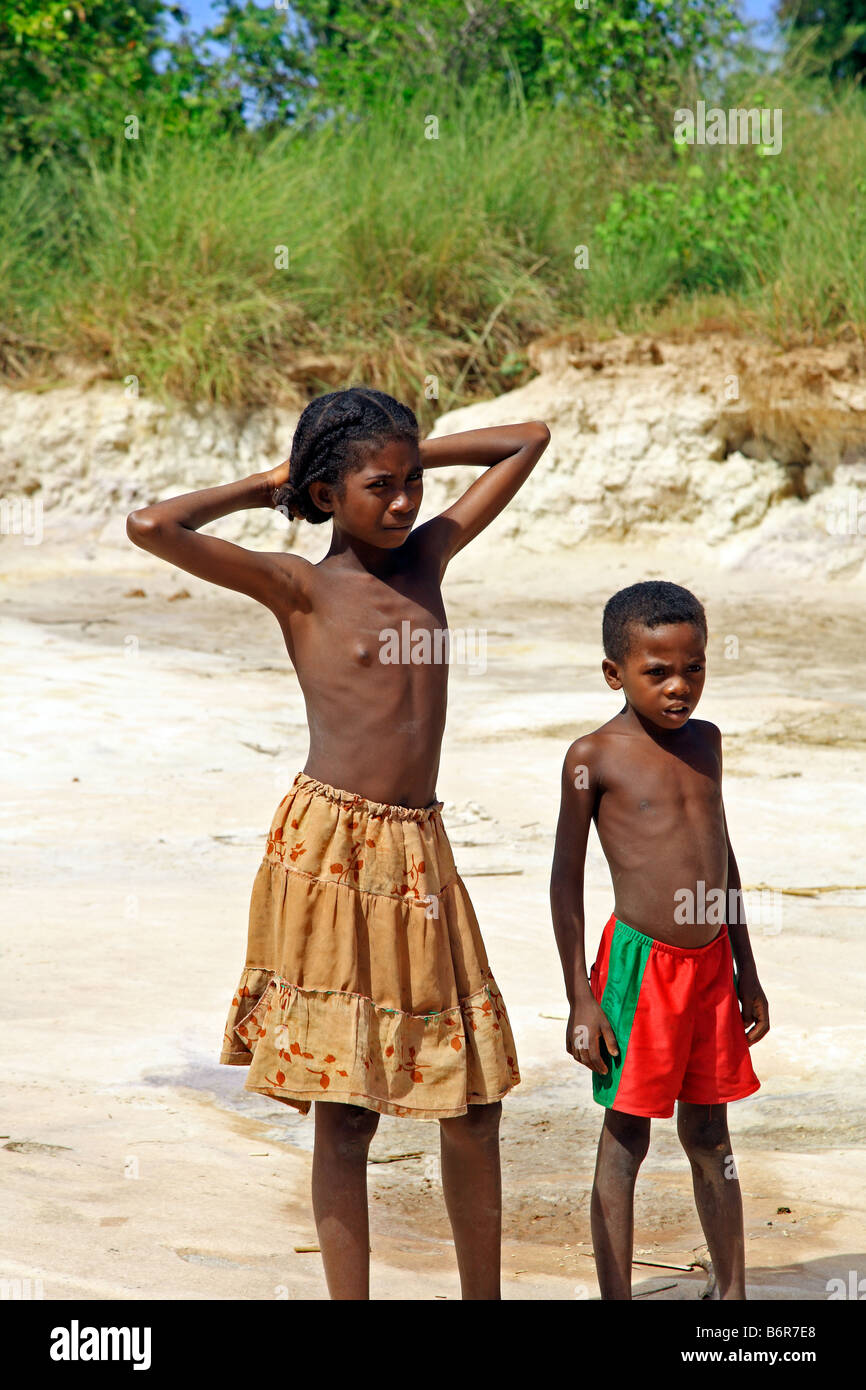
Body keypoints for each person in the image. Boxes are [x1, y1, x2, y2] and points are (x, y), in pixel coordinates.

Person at [126, 385, 550, 1300]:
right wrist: (273, 481)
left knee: (473, 1107)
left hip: (421, 849)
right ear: (327, 495)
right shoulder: (300, 585)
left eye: (411, 484)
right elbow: (153, 524)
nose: (403, 503)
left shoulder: (430, 554)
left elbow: (528, 438)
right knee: (348, 1113)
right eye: (378, 487)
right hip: (333, 853)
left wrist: (405, 453)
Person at [549, 580, 770, 1301]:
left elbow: (723, 853)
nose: (681, 687)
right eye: (659, 672)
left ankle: (730, 1294)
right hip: (641, 968)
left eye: (695, 668)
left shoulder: (706, 743)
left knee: (711, 1137)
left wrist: (747, 968)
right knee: (627, 1140)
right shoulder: (594, 756)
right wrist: (581, 1001)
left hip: (709, 967)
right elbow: (565, 883)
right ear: (615, 673)